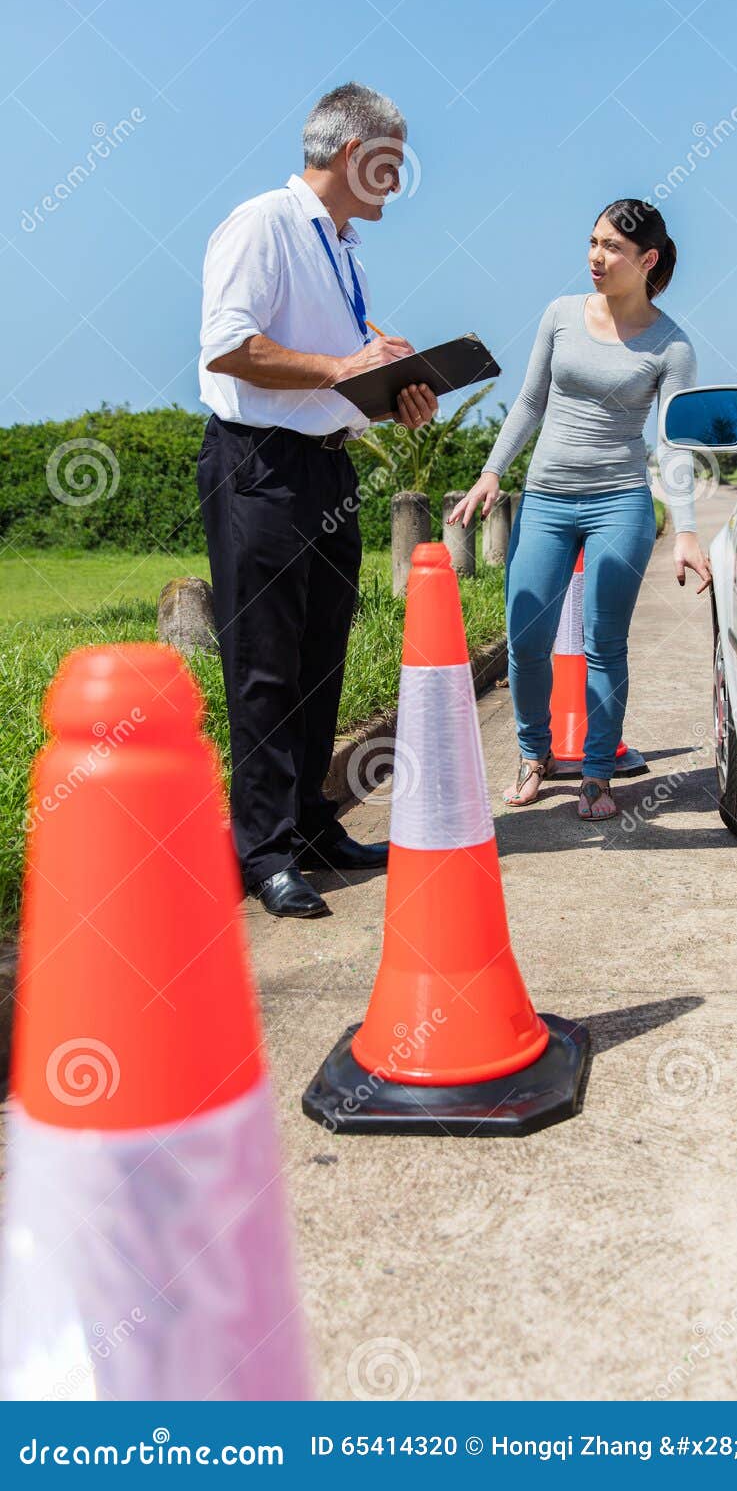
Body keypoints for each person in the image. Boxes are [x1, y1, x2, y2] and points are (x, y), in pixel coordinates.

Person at [196, 83, 438, 920]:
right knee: (264, 665)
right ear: (350, 152)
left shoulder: (345, 250)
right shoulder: (263, 223)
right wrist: (341, 369)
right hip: (258, 466)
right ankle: (260, 851)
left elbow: (332, 371)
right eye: (390, 164)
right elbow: (230, 346)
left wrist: (390, 382)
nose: (394, 182)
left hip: (328, 468)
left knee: (318, 657)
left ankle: (307, 826)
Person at [448, 199, 710, 823]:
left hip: (620, 501)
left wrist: (689, 529)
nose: (596, 257)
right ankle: (535, 754)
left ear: (647, 260)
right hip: (545, 497)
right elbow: (531, 400)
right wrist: (492, 473)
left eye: (612, 248)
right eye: (592, 242)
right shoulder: (561, 315)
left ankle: (596, 773)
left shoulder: (672, 346)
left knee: (604, 642)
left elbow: (673, 443)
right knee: (526, 638)